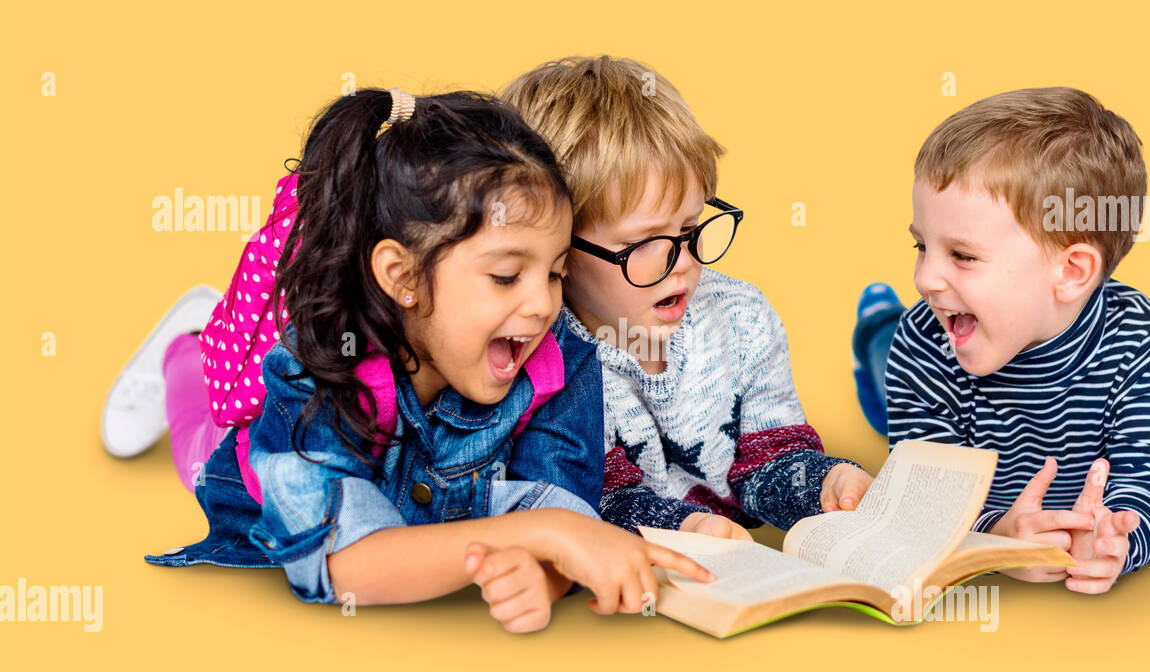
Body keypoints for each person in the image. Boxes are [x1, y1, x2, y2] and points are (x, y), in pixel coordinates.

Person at [105, 87, 711, 631]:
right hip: (249, 470)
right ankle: (185, 345)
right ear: (403, 276)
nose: (542, 306)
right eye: (505, 276)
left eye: (554, 274)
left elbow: (560, 508)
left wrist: (543, 576)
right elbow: (350, 566)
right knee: (200, 437)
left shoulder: (561, 363)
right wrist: (541, 536)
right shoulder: (322, 372)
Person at [502, 56, 876, 539]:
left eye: (690, 227)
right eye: (644, 243)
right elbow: (594, 502)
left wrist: (826, 482)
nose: (683, 261)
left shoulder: (742, 318)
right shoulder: (554, 362)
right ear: (558, 250)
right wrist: (688, 529)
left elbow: (769, 460)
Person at [852, 87, 1150, 594]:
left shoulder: (1143, 337)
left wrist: (1119, 541)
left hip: (956, 326)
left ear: (1071, 271)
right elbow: (924, 499)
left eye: (962, 255)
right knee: (885, 355)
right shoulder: (922, 343)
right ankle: (875, 323)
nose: (926, 276)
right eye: (922, 246)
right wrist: (995, 540)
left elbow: (1149, 476)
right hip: (916, 349)